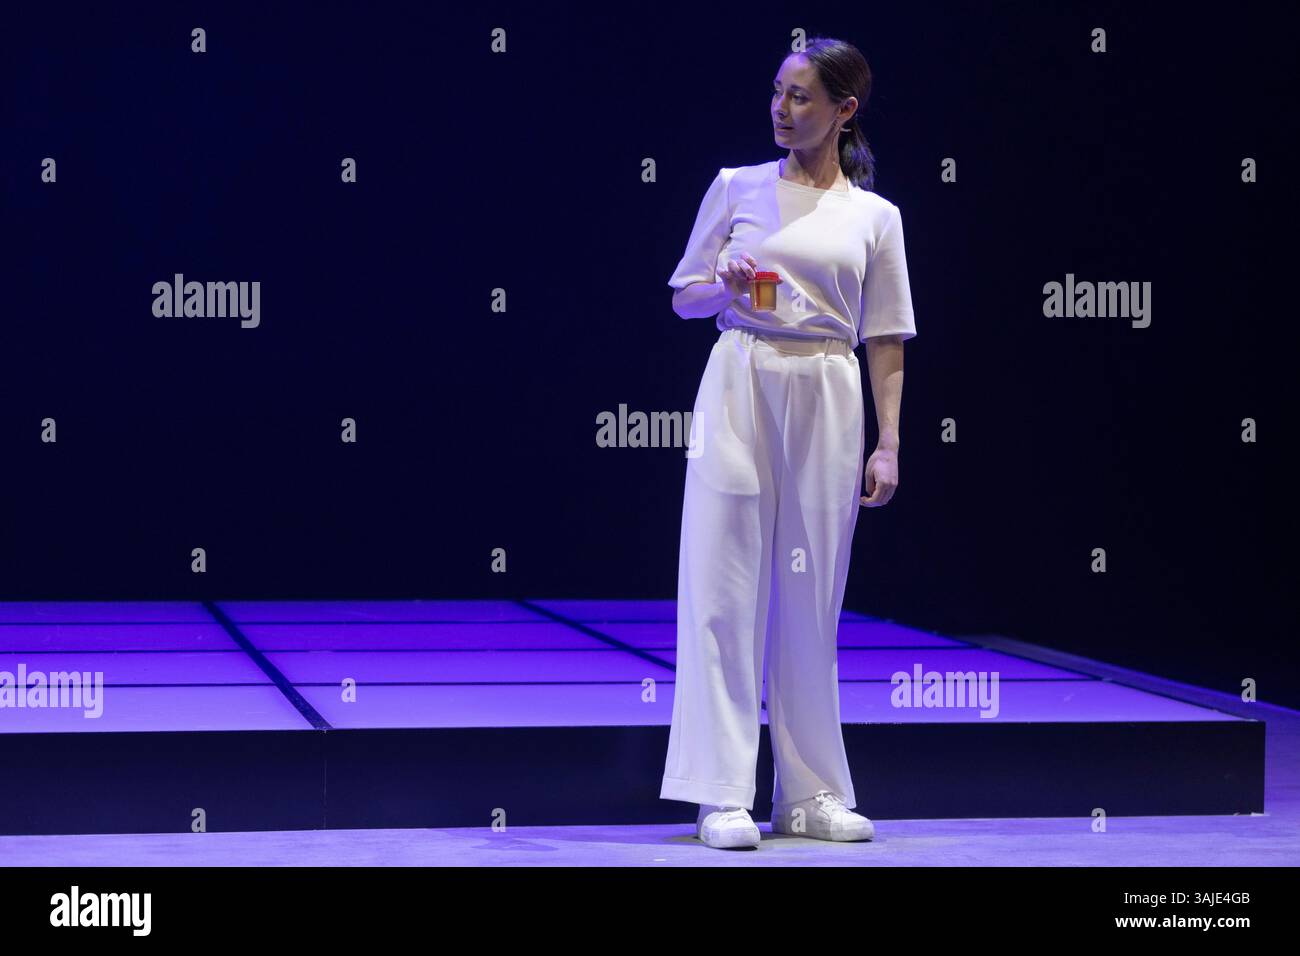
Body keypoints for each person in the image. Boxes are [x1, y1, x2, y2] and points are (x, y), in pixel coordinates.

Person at [660, 37, 917, 849]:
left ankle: (809, 794)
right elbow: (684, 300)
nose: (782, 107)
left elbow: (886, 337)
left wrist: (889, 445)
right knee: (724, 579)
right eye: (777, 91)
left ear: (844, 111)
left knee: (813, 598)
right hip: (740, 376)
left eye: (802, 96)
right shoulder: (737, 186)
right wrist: (723, 285)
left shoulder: (875, 217)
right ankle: (720, 793)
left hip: (829, 391)